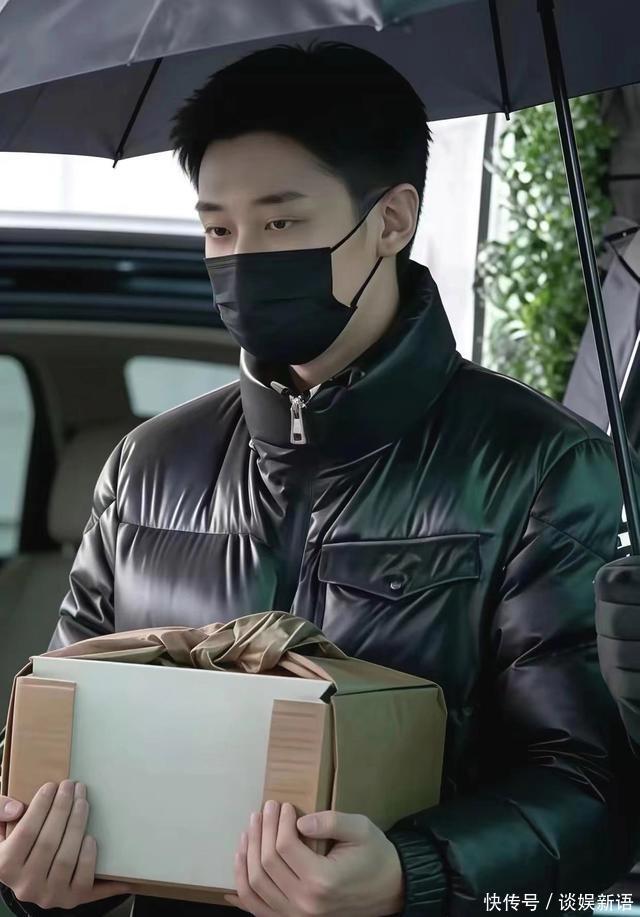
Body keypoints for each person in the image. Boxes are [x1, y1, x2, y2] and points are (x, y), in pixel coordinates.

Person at [0, 39, 638, 917]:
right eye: (218, 228)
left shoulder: (539, 466)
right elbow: (58, 735)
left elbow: (591, 788)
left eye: (281, 224)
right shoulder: (146, 468)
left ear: (392, 219)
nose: (242, 258)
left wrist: (410, 873)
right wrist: (37, 878)